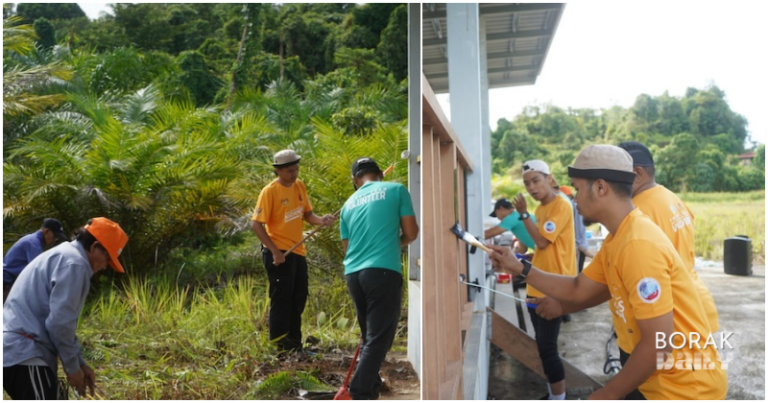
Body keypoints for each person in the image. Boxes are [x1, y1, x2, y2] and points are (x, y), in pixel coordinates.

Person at [488, 145, 727, 400]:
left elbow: (659, 343)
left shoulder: (638, 244)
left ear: (601, 187)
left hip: (684, 390)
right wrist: (520, 267)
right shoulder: (619, 237)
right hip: (655, 379)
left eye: (577, 189)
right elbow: (579, 288)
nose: (574, 198)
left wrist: (605, 395)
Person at [3, 217, 129, 400]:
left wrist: (80, 364)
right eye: (107, 259)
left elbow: (63, 324)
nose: (105, 267)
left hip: (20, 350)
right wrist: (72, 369)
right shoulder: (76, 264)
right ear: (94, 247)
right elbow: (59, 324)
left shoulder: (65, 255)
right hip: (25, 353)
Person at [618, 141, 719, 333]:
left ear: (638, 174)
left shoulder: (636, 212)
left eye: (616, 175)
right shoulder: (672, 198)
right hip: (697, 303)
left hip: (671, 316)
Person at [339, 157, 418, 400]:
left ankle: (370, 387)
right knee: (378, 339)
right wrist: (393, 243)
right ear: (380, 174)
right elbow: (412, 233)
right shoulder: (396, 190)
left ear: (355, 180)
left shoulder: (347, 205)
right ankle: (360, 392)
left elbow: (347, 247)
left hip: (353, 274)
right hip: (382, 271)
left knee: (368, 336)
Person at [251, 149, 336, 354]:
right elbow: (255, 224)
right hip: (280, 253)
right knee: (281, 300)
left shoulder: (299, 186)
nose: (294, 174)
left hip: (298, 251)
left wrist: (321, 221)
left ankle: (294, 346)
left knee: (298, 298)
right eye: (290, 171)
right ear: (278, 170)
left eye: (296, 169)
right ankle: (281, 350)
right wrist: (274, 252)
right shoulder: (270, 191)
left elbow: (307, 214)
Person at [512, 159, 576, 400]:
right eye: (527, 183)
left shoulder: (561, 205)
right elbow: (543, 246)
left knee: (548, 348)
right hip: (536, 286)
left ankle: (559, 398)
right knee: (542, 345)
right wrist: (530, 255)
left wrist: (523, 214)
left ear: (549, 179)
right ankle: (553, 394)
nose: (531, 187)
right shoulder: (540, 210)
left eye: (536, 180)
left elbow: (542, 240)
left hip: (554, 288)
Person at [3, 218, 68, 303]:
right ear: (47, 231)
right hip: (5, 282)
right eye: (54, 236)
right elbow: (38, 273)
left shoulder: (32, 240)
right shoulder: (33, 244)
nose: (54, 240)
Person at [558, 186, 594, 273]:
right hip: (575, 245)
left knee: (576, 274)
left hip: (577, 246)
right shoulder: (568, 206)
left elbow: (579, 226)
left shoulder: (573, 206)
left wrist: (578, 244)